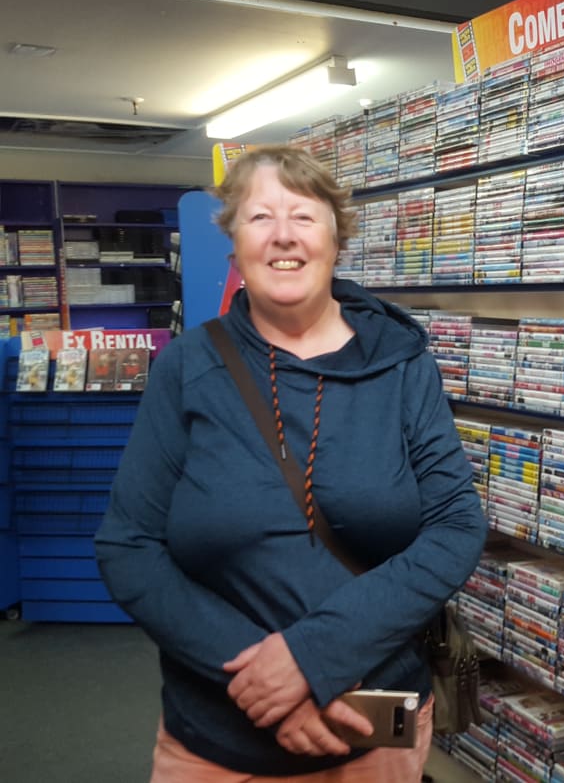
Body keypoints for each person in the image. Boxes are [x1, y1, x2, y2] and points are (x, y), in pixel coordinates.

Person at [94, 144, 488, 780]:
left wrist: (311, 656)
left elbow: (456, 527)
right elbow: (128, 546)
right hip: (219, 733)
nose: (283, 236)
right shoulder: (188, 368)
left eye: (303, 217)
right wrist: (262, 678)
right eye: (259, 218)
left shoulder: (403, 362)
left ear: (336, 239)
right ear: (234, 244)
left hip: (372, 727)